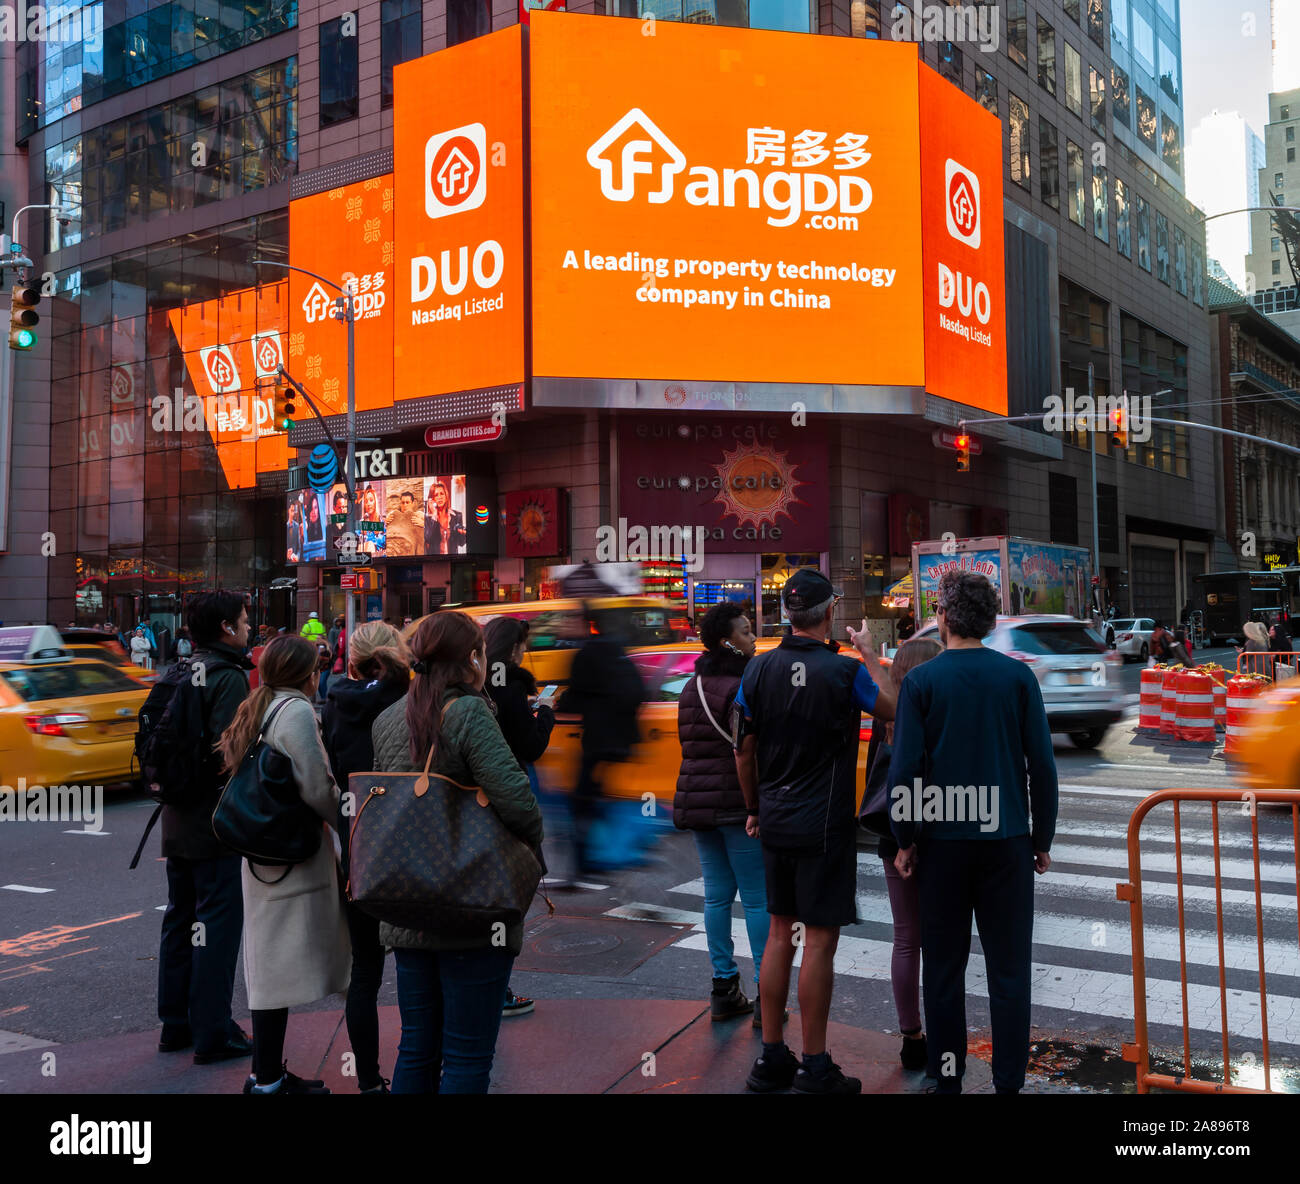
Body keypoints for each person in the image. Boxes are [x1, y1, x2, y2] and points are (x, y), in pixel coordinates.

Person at [888, 570, 1058, 1095]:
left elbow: (906, 769)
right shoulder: (1017, 679)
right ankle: (1008, 1083)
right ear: (988, 621)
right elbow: (1042, 766)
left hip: (941, 846)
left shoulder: (922, 682)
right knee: (1010, 971)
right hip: (1006, 842)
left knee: (942, 970)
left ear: (942, 618)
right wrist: (1041, 838)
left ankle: (948, 1079)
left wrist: (905, 837)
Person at [736, 569, 896, 1095]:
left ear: (787, 613)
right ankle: (816, 1064)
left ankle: (771, 1057)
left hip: (776, 820)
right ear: (830, 612)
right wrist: (870, 651)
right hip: (824, 824)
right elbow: (893, 707)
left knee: (780, 931)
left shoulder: (757, 669)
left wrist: (754, 807)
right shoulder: (845, 671)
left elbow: (743, 747)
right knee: (820, 941)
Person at [371, 612, 544, 1093]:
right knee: (467, 1055)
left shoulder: (388, 717)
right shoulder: (469, 712)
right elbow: (517, 801)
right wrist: (531, 842)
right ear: (472, 657)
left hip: (406, 905)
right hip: (472, 905)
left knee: (416, 1048)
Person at [217, 634, 351, 1095]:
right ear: (305, 674)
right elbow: (316, 786)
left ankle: (267, 1075)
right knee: (281, 968)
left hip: (263, 858)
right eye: (316, 667)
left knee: (269, 966)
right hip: (290, 858)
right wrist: (347, 825)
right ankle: (268, 1080)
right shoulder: (294, 710)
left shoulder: (261, 704)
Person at [155, 591, 254, 1066]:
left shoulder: (177, 671)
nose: (249, 626)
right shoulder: (228, 678)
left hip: (177, 817)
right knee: (216, 923)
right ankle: (214, 1031)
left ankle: (175, 1025)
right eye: (244, 619)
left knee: (181, 918)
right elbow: (229, 755)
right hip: (215, 821)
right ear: (226, 629)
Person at [321, 621, 413, 1094]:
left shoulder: (335, 704)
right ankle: (421, 1068)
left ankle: (370, 1080)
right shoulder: (411, 700)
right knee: (421, 961)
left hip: (356, 841)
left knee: (365, 971)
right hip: (409, 839)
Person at [673, 602, 771, 1027]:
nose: (753, 639)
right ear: (730, 640)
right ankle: (768, 993)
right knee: (756, 899)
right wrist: (756, 805)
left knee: (715, 896)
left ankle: (723, 986)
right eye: (748, 632)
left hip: (696, 799)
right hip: (736, 802)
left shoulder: (690, 686)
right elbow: (749, 750)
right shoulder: (744, 684)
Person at [863, 636, 943, 1070]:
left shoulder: (889, 715)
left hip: (895, 834)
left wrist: (868, 653)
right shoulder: (940, 711)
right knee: (941, 940)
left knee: (906, 938)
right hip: (942, 832)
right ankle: (945, 1034)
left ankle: (911, 1034)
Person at [483, 616, 556, 1019]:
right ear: (513, 648)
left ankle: (489, 984)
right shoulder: (511, 689)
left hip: (474, 796)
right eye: (523, 645)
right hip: (508, 788)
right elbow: (529, 746)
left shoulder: (477, 685)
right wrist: (544, 712)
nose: (525, 652)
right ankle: (497, 987)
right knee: (513, 889)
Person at [556, 604, 645, 878]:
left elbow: (575, 697)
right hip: (623, 738)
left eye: (569, 618)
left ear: (585, 622)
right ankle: (599, 853)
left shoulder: (586, 654)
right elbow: (636, 691)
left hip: (598, 741)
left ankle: (587, 862)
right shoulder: (617, 650)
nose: (564, 625)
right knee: (596, 794)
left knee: (581, 799)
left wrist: (556, 703)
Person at [424, 480, 466, 555]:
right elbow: (429, 539)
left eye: (442, 494)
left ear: (446, 496)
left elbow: (461, 543)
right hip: (435, 562)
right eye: (436, 495)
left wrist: (463, 534)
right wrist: (434, 514)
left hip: (452, 560)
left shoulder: (457, 516)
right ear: (432, 499)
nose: (439, 497)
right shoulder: (428, 518)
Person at [385, 489, 423, 556]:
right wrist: (384, 522)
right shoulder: (392, 514)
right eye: (403, 503)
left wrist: (423, 523)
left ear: (413, 503)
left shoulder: (419, 515)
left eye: (407, 502)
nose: (405, 505)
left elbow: (432, 527)